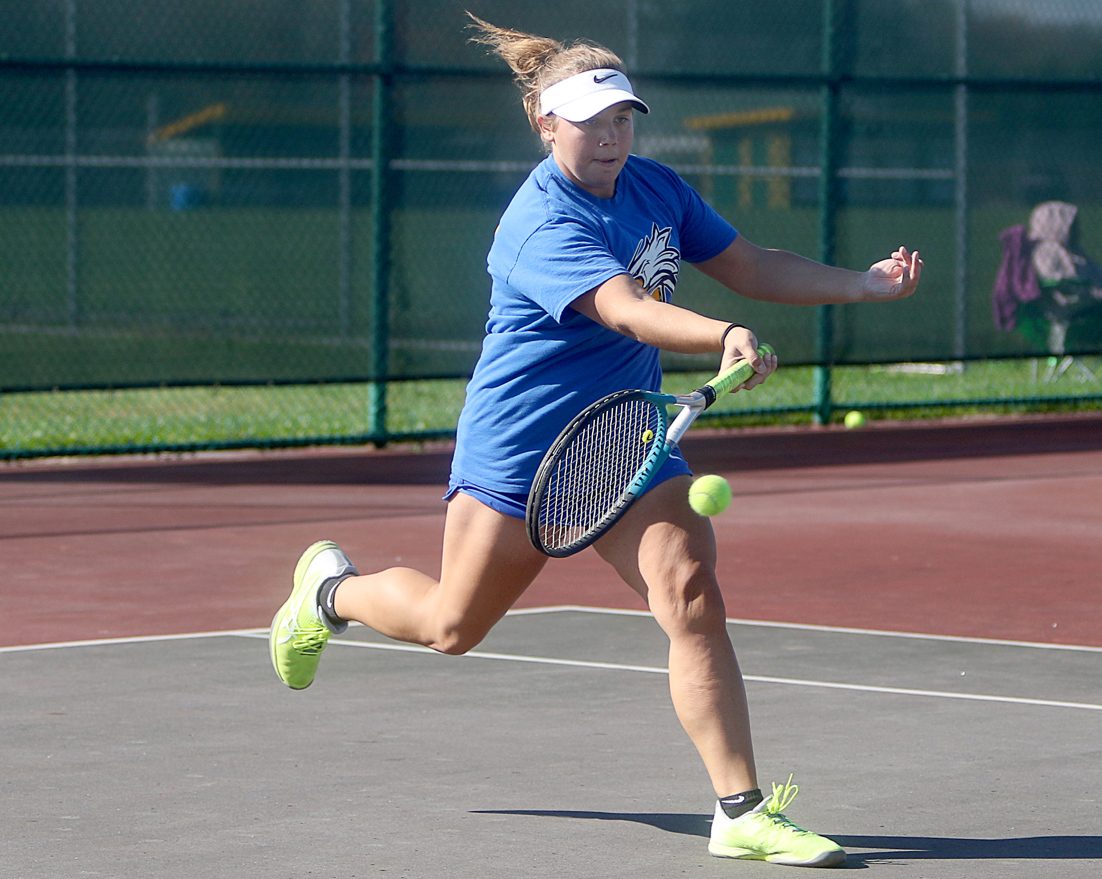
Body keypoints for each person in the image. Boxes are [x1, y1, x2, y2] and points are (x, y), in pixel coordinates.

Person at [269, 13, 922, 869]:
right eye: (590, 122)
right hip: (522, 453)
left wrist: (864, 287)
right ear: (546, 123)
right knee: (450, 626)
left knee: (690, 589)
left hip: (625, 443)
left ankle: (740, 810)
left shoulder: (655, 188)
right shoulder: (541, 220)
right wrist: (720, 331)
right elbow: (625, 308)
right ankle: (329, 593)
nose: (612, 136)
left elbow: (751, 263)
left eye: (622, 118)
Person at [994, 201, 1102, 357]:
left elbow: (1101, 281)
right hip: (1071, 314)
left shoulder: (1077, 252)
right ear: (1056, 223)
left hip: (1096, 307)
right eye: (1072, 224)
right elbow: (1063, 287)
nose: (1077, 229)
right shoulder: (1044, 252)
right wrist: (1099, 295)